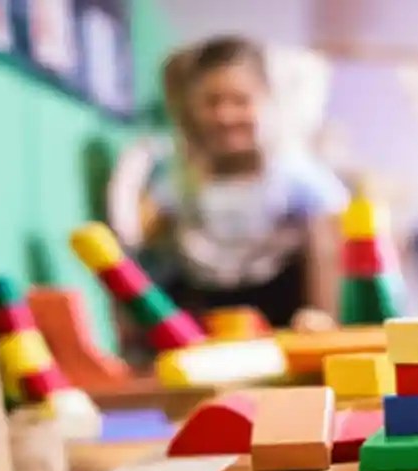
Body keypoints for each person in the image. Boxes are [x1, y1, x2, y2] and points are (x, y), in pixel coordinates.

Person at [142, 36, 347, 329]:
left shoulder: (292, 173)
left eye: (241, 101)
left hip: (284, 313)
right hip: (207, 312)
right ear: (192, 109)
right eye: (212, 103)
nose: (225, 116)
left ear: (266, 102)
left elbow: (330, 237)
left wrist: (323, 316)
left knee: (322, 229)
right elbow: (142, 235)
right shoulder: (181, 177)